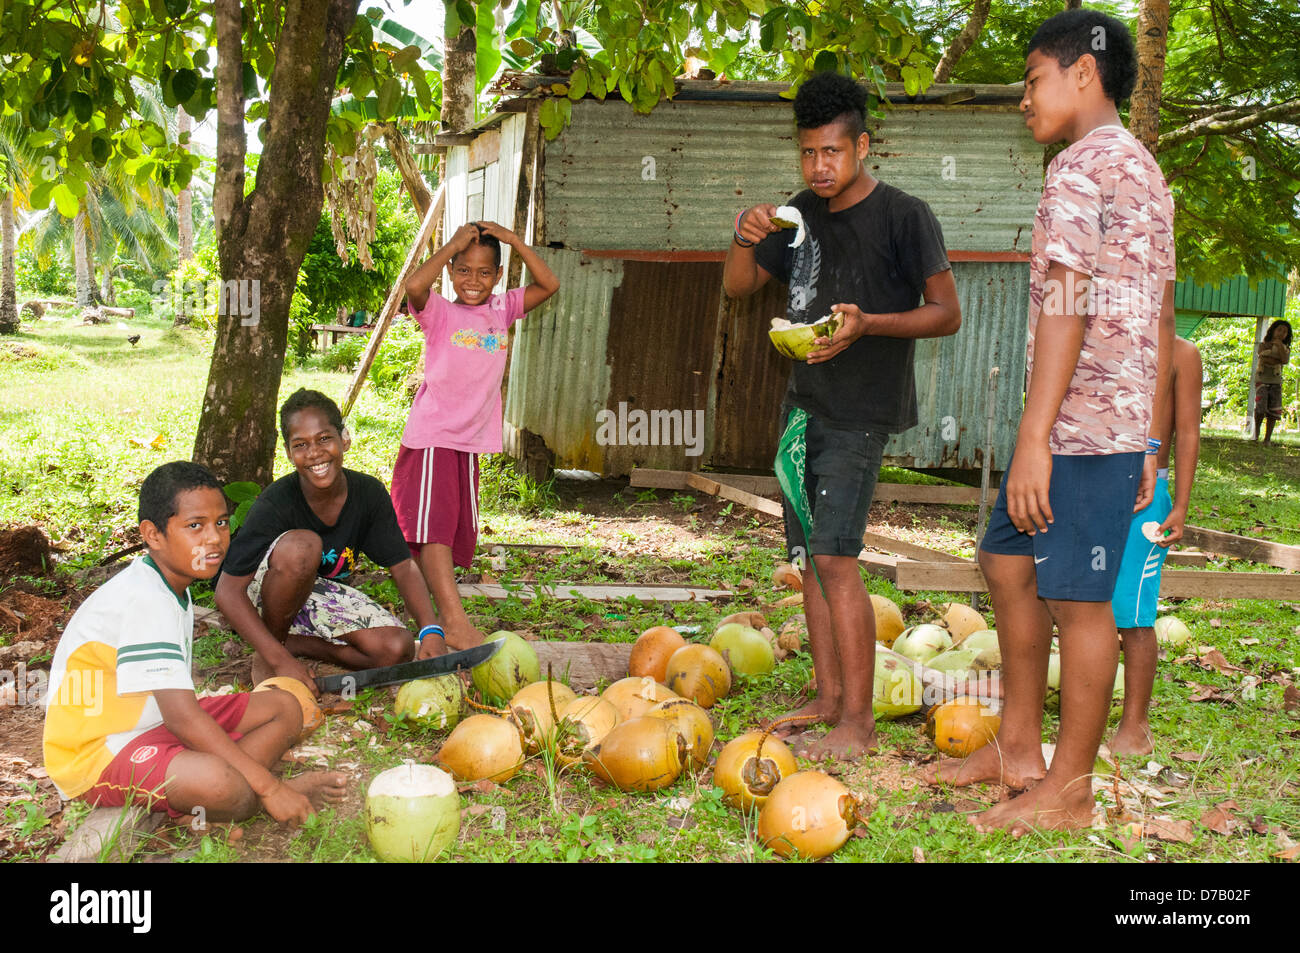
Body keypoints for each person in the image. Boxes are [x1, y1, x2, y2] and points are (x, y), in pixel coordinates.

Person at [923, 9, 1177, 834]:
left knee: (1082, 603)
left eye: (1032, 81)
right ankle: (1017, 748)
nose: (1023, 100)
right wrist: (1151, 434)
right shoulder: (1143, 170)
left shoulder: (1077, 169)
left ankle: (1067, 789)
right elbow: (1162, 316)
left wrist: (1034, 439)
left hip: (1076, 432)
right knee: (1004, 563)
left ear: (1082, 73)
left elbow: (1066, 301)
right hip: (1107, 427)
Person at [723, 71, 961, 759]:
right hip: (804, 408)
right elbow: (741, 286)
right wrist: (742, 235)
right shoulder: (798, 213)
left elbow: (947, 312)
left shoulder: (904, 216)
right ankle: (827, 695)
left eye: (832, 151)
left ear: (863, 146)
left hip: (862, 410)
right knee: (808, 561)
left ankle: (857, 721)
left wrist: (868, 325)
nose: (819, 166)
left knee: (836, 556)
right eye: (807, 153)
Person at [43, 461, 347, 824]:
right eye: (194, 526)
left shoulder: (171, 586)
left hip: (156, 724)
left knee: (285, 707)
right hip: (99, 751)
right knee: (221, 785)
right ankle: (250, 794)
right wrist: (271, 787)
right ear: (153, 535)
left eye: (220, 522)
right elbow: (183, 717)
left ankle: (208, 800)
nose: (214, 538)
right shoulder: (146, 598)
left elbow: (179, 715)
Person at [390, 221, 560, 649]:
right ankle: (452, 619)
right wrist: (452, 245)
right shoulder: (439, 312)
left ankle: (431, 611)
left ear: (499, 276)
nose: (473, 280)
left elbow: (550, 283)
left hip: (467, 442)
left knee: (447, 529)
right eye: (463, 270)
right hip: (434, 437)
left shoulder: (501, 310)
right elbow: (413, 285)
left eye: (484, 272)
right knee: (434, 530)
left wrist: (515, 241)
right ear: (450, 271)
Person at [216, 389, 450, 696]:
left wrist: (431, 629)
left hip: (315, 594)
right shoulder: (277, 502)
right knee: (303, 547)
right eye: (301, 445)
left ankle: (297, 644)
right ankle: (271, 651)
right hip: (265, 593)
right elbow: (227, 591)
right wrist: (278, 660)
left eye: (324, 438)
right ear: (288, 452)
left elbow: (403, 566)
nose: (314, 452)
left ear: (344, 439)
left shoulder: (367, 493)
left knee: (396, 648)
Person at [1110, 336, 1202, 756]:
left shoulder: (1183, 354)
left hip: (1149, 498)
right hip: (1093, 481)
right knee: (1079, 604)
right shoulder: (1104, 339)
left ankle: (1135, 725)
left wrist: (1180, 504)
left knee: (1132, 612)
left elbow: (1187, 433)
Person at [1254, 319, 1292, 445]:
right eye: (1279, 330)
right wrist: (1277, 359)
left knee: (1274, 410)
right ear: (1273, 330)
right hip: (1262, 379)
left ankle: (1267, 439)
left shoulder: (1285, 348)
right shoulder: (1264, 344)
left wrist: (1279, 346)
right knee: (1260, 408)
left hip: (1276, 382)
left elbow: (1284, 360)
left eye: (1285, 332)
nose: (1281, 333)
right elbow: (1263, 357)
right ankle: (1256, 433)